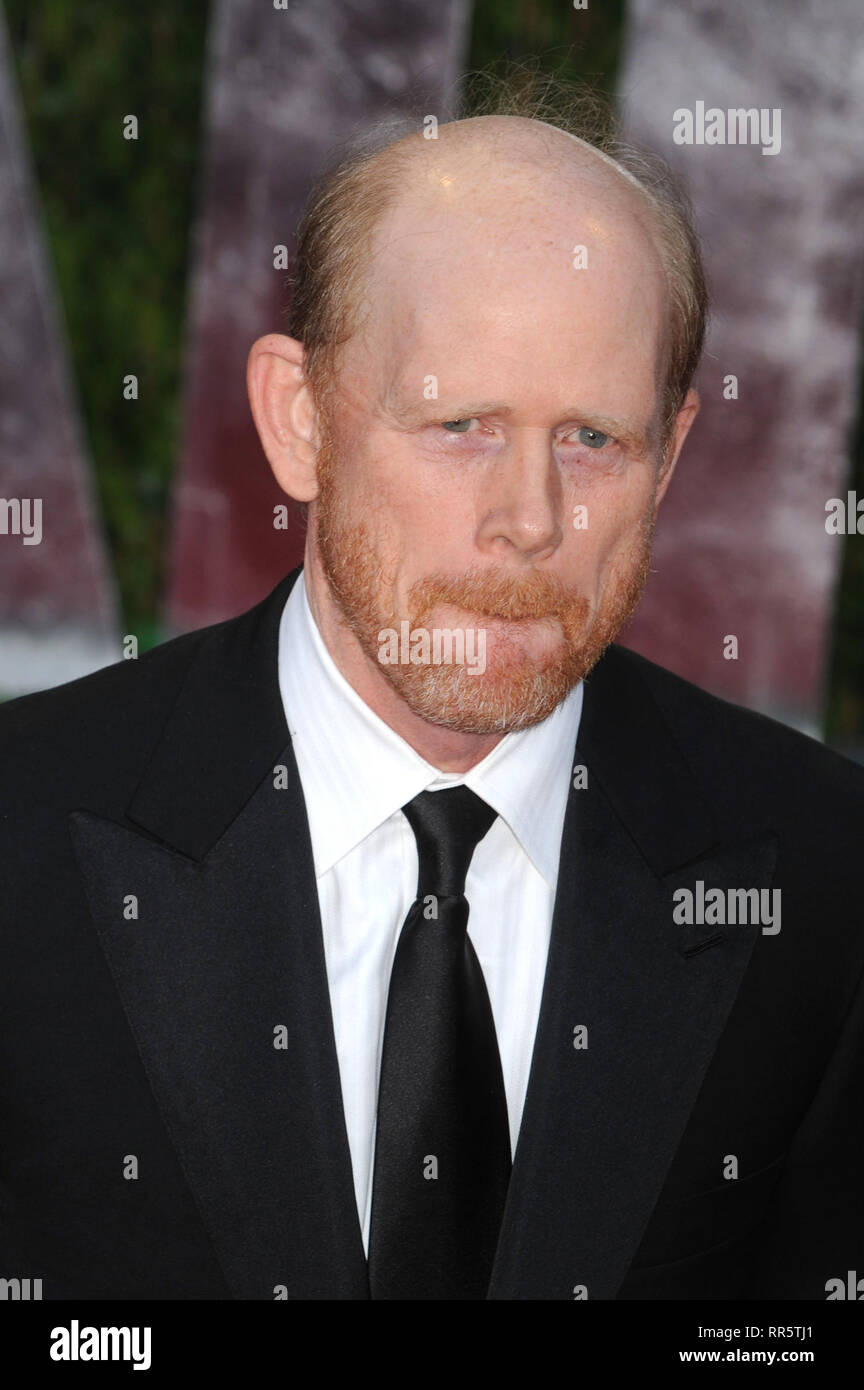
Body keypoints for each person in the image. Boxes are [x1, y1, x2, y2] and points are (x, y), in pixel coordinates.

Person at [1, 93, 863, 1303]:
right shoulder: (23, 835)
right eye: (461, 424)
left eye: (593, 440)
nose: (529, 520)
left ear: (669, 458)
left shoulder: (826, 881)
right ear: (299, 423)